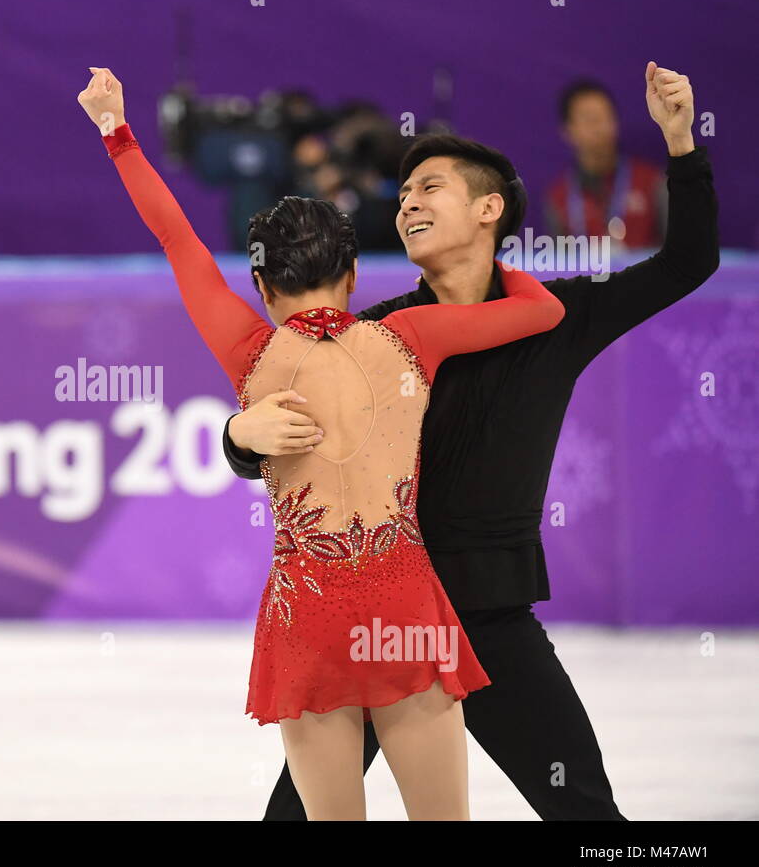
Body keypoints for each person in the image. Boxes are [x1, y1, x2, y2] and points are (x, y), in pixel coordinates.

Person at [224, 63, 717, 820]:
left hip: (490, 617)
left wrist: (680, 141)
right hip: (384, 621)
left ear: (490, 207)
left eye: (431, 188)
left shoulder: (561, 316)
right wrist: (239, 437)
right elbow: (281, 432)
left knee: (587, 817)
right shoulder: (375, 335)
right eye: (405, 193)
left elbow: (690, 262)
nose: (409, 202)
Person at [79, 66, 565, 819]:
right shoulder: (410, 337)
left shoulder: (248, 351)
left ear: (264, 288)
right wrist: (483, 249)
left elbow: (174, 235)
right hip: (402, 608)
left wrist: (118, 132)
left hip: (306, 619)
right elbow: (541, 313)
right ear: (352, 273)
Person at [544, 79, 666, 250]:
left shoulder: (652, 181)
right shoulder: (559, 197)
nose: (600, 127)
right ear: (567, 130)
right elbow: (559, 267)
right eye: (590, 119)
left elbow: (678, 252)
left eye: (606, 117)